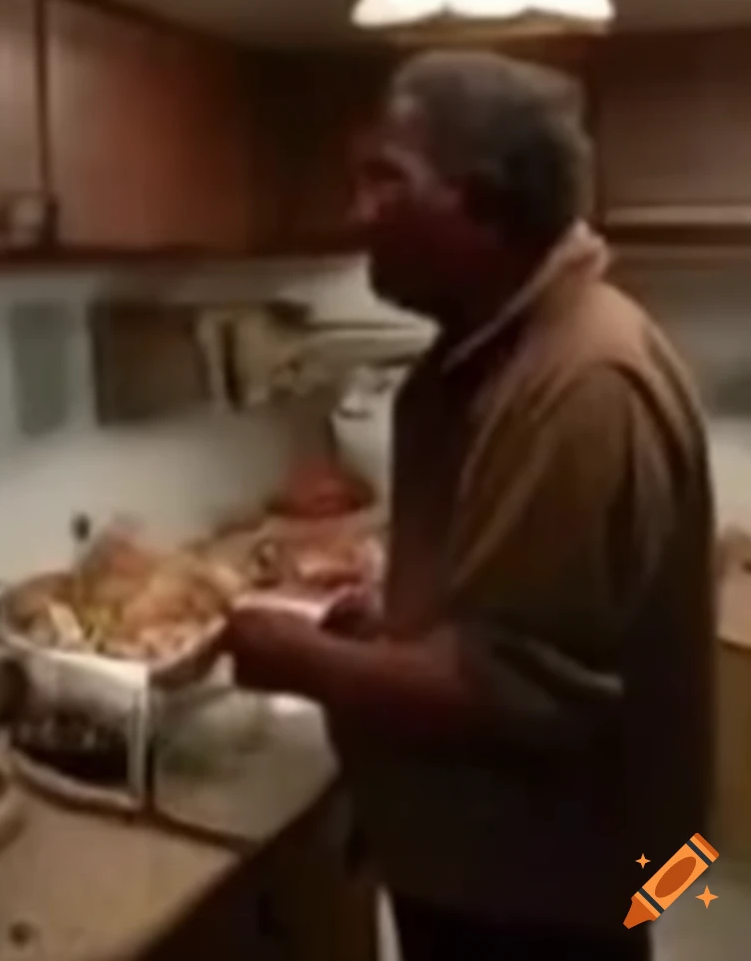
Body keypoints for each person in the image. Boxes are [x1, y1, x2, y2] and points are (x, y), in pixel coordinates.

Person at [223, 51, 714, 960]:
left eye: (385, 181)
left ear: (483, 204)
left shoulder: (581, 382)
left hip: (545, 893)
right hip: (525, 869)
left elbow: (515, 691)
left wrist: (297, 657)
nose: (354, 213)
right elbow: (508, 603)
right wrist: (399, 620)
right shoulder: (493, 350)